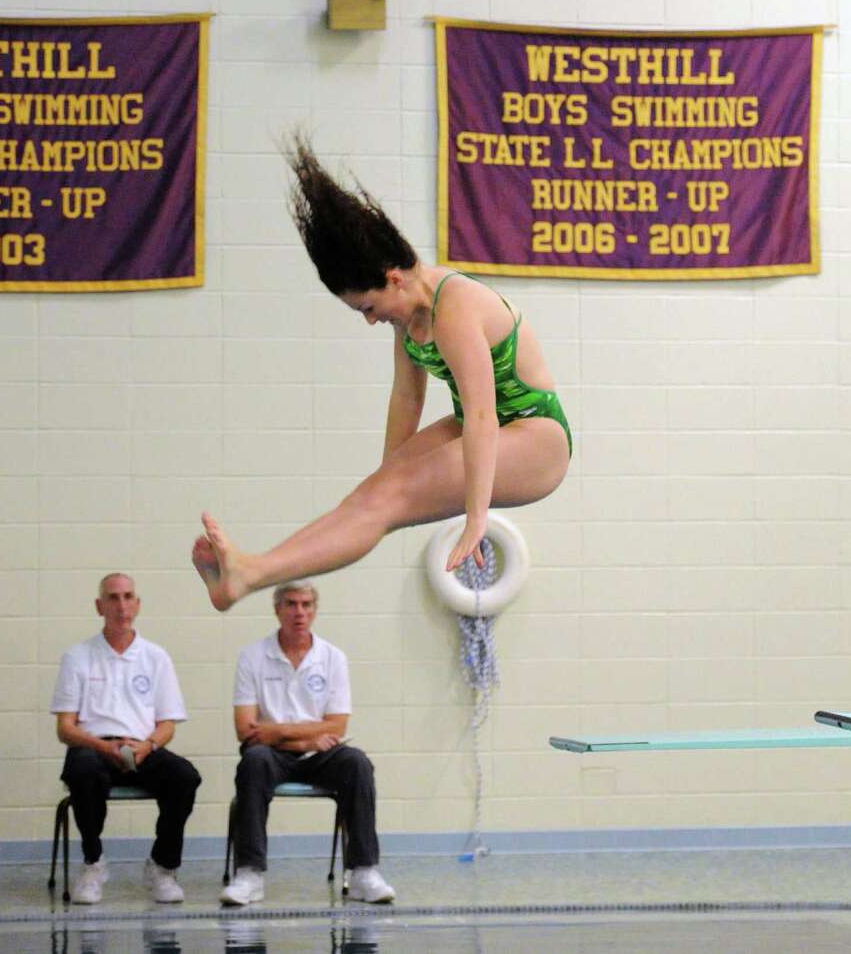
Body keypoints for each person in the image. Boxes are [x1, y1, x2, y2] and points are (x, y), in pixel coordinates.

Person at [192, 137, 571, 612]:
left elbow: (480, 415)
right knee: (370, 498)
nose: (371, 320)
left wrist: (476, 517)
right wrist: (385, 480)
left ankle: (251, 576)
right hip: (488, 427)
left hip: (536, 438)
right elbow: (406, 399)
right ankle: (248, 570)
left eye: (369, 308)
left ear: (393, 278)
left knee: (383, 503)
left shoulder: (455, 308)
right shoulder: (412, 316)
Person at [220, 580, 395, 906]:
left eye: (306, 604)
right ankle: (250, 874)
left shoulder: (333, 658)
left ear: (314, 610)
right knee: (253, 760)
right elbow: (245, 729)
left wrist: (280, 732)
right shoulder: (253, 656)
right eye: (291, 604)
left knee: (357, 762)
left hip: (320, 753)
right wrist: (305, 736)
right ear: (277, 610)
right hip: (271, 755)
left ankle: (364, 872)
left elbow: (338, 725)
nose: (299, 612)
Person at [50, 573, 201, 904]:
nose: (121, 605)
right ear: (99, 605)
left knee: (185, 777)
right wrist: (104, 746)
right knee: (83, 772)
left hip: (141, 747)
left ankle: (162, 866)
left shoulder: (156, 657)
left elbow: (167, 724)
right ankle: (94, 863)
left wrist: (147, 746)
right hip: (95, 746)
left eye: (128, 597)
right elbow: (65, 728)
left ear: (138, 604)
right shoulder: (78, 656)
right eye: (113, 598)